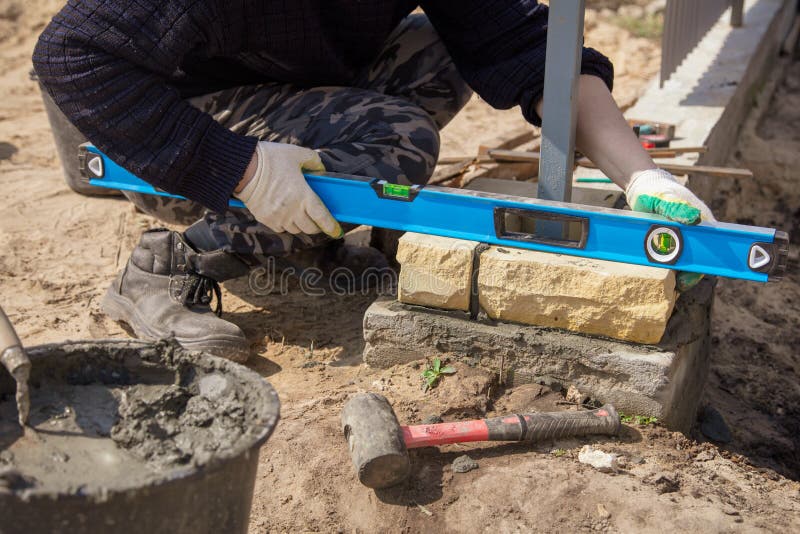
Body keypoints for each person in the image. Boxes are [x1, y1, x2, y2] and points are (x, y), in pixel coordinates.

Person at [33, 1, 713, 362]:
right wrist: (236, 166)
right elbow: (72, 56)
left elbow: (530, 52)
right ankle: (170, 262)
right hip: (165, 137)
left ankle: (306, 240)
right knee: (397, 136)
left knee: (443, 53)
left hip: (282, 95)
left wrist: (642, 175)